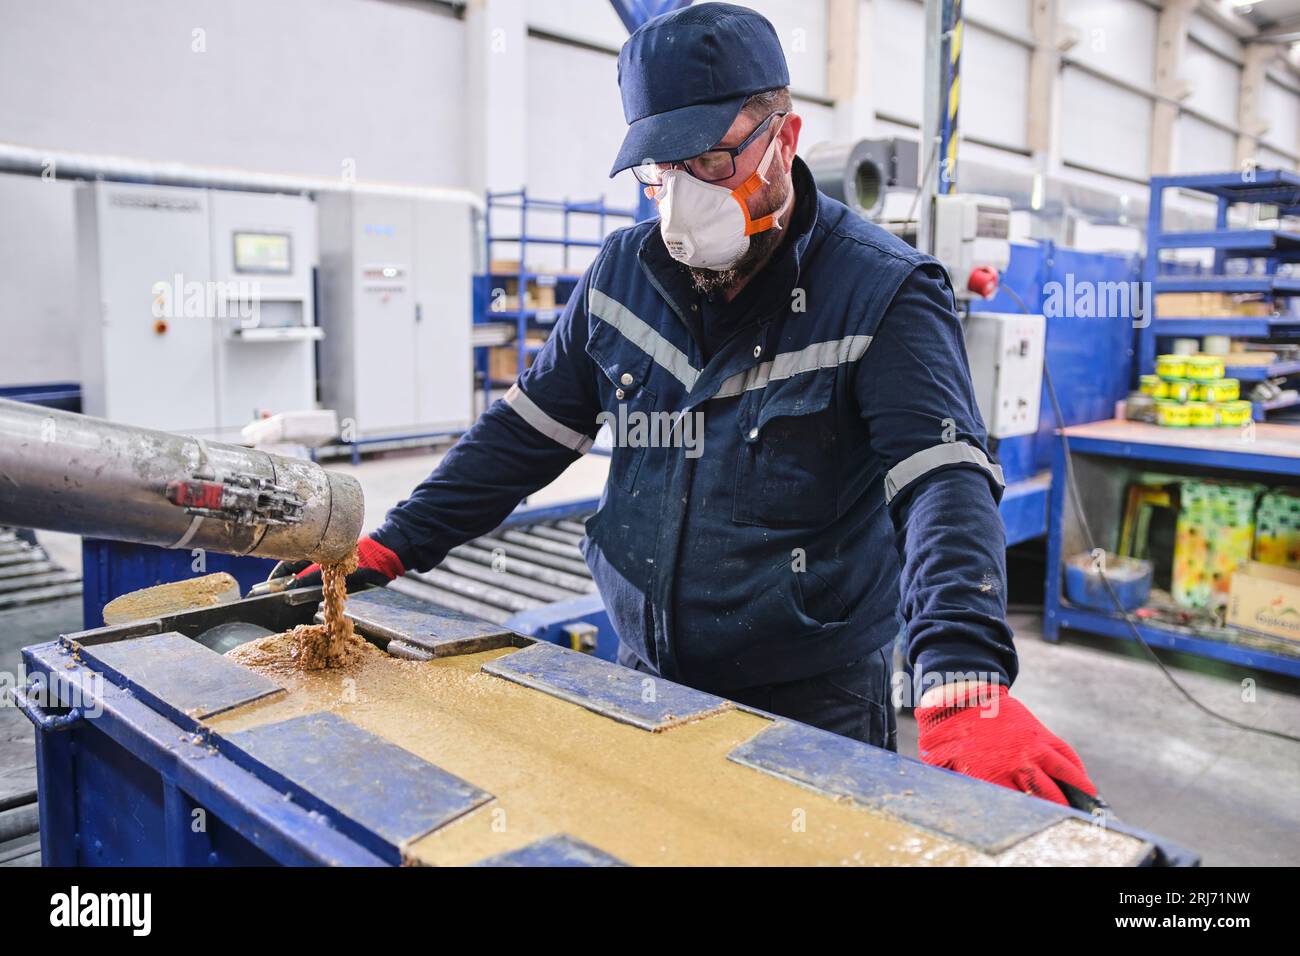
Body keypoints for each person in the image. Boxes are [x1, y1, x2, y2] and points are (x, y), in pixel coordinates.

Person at [299, 2, 1098, 807]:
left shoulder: (882, 293)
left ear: (783, 140)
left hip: (811, 704)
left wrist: (963, 675)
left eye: (711, 161)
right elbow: (525, 435)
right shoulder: (622, 277)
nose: (681, 201)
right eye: (660, 170)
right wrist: (392, 545)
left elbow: (944, 481)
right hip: (644, 678)